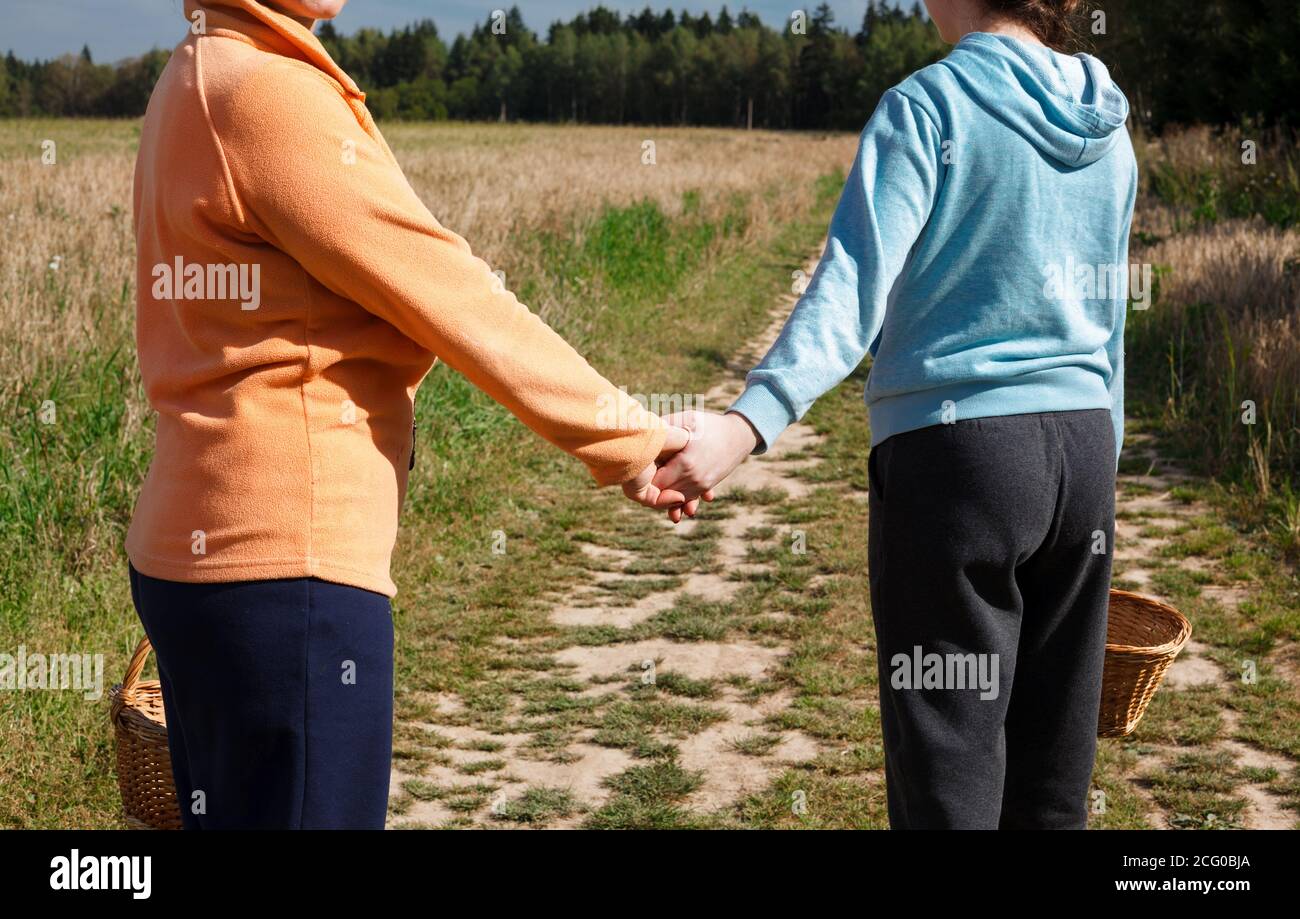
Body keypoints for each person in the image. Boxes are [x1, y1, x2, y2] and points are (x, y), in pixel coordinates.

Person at [126, 0, 692, 829]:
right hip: (286, 565)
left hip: (202, 556)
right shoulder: (264, 93)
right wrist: (628, 437)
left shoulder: (196, 72)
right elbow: (442, 289)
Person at [653, 0, 1136, 829]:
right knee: (1056, 769)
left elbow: (851, 288)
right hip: (1083, 450)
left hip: (960, 464)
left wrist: (744, 425)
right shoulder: (1111, 123)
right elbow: (1110, 318)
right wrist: (1103, 465)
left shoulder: (929, 105)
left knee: (948, 756)